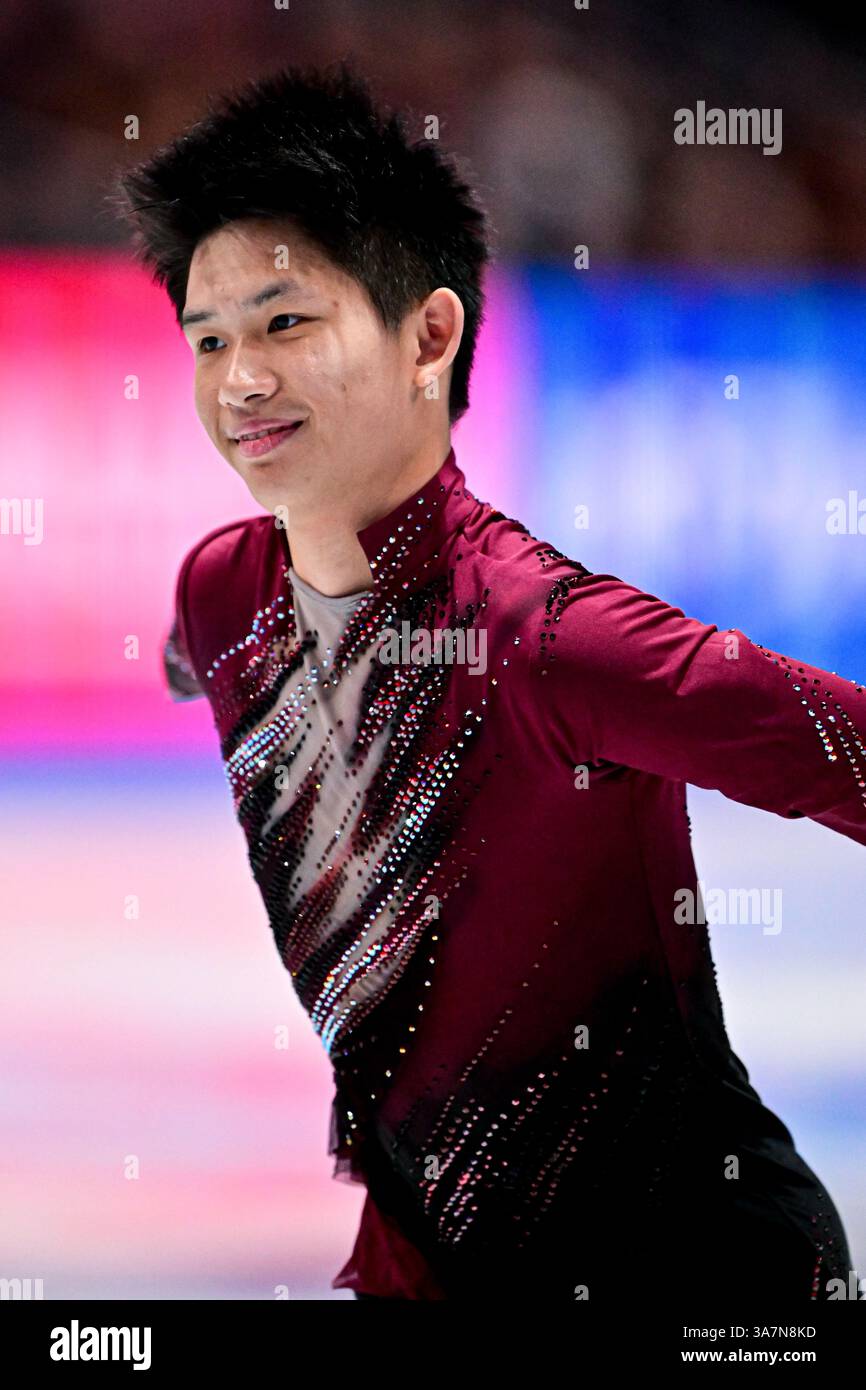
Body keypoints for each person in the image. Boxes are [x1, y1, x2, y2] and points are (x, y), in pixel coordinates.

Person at [111, 61, 864, 1303]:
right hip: (424, 1267)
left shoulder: (549, 637)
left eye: (285, 321)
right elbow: (199, 648)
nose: (239, 377)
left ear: (429, 335)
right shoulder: (219, 594)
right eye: (209, 338)